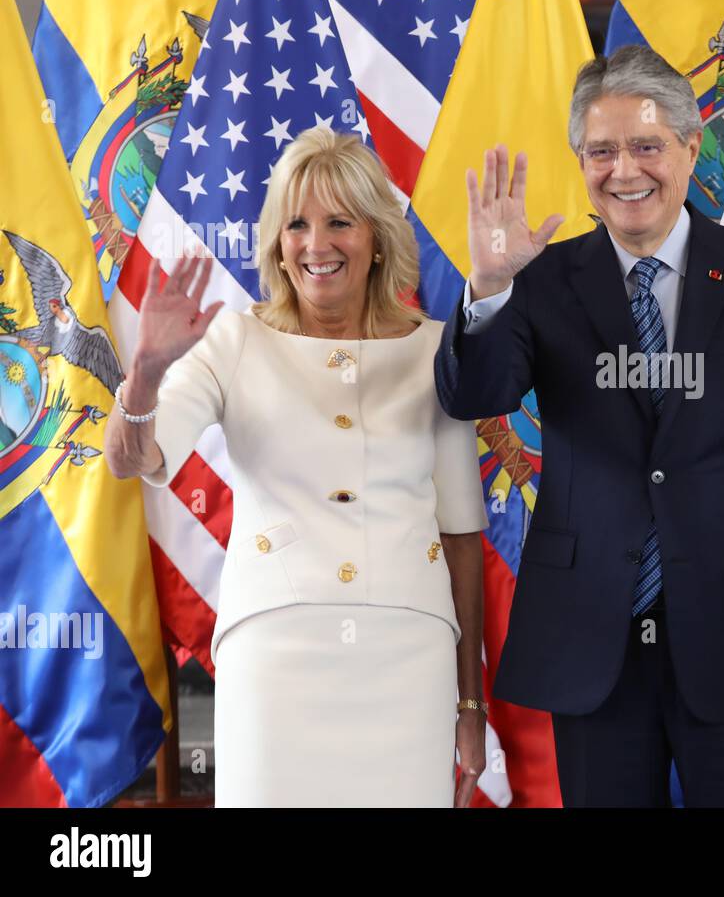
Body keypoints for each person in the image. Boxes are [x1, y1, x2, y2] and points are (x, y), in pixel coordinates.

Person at [435, 45, 724, 806]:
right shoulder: (539, 279)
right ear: (581, 160)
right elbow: (474, 392)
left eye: (645, 146)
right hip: (593, 641)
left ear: (692, 148)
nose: (624, 171)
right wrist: (492, 286)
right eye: (601, 151)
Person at [105, 127, 489, 807]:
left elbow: (461, 536)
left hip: (410, 662)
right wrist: (143, 377)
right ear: (277, 245)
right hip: (274, 659)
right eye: (297, 225)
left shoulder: (440, 351)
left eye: (339, 222)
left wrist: (468, 703)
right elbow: (135, 457)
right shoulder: (234, 338)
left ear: (377, 239)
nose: (317, 245)